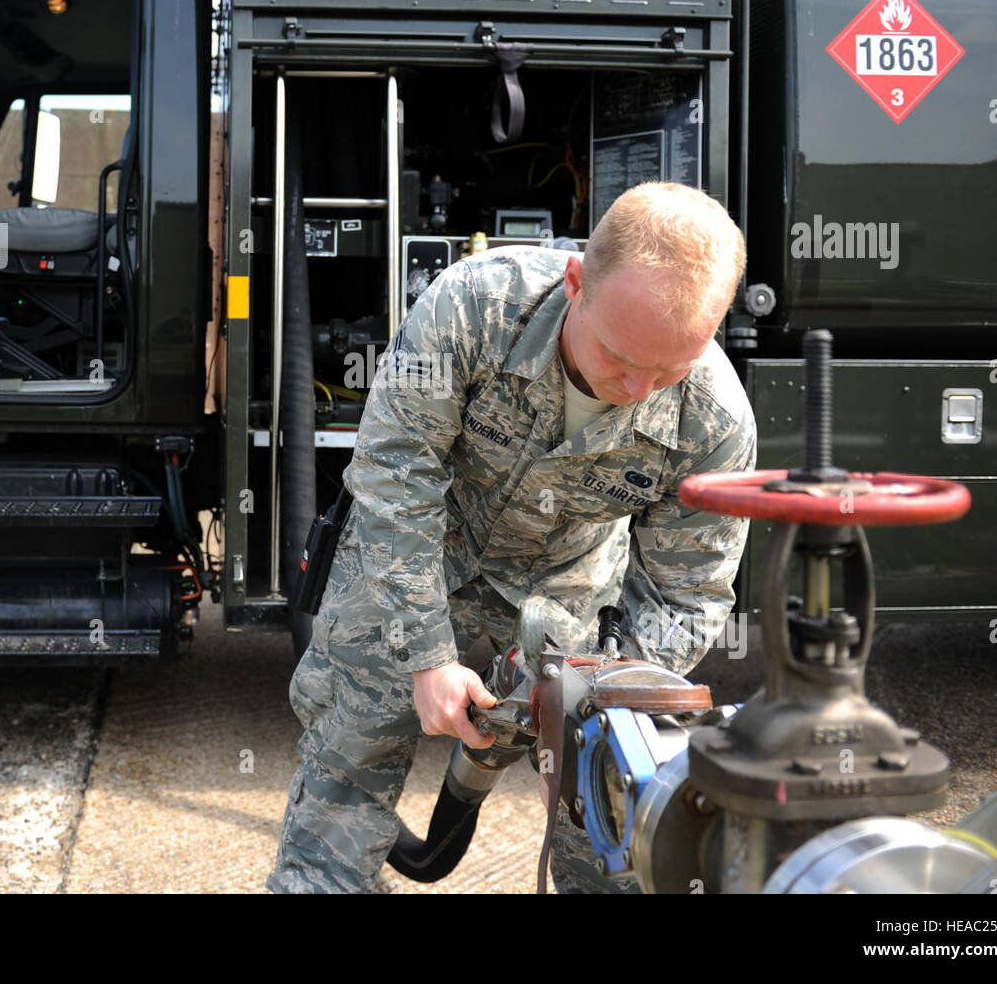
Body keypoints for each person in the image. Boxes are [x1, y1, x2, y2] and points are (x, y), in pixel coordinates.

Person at [267, 181, 757, 894]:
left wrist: (592, 709)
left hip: (570, 594)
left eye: (671, 367)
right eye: (620, 357)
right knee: (344, 770)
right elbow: (395, 472)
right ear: (577, 281)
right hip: (415, 555)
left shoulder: (715, 420)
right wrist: (427, 656)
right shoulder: (474, 305)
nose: (640, 387)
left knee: (619, 815)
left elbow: (687, 596)